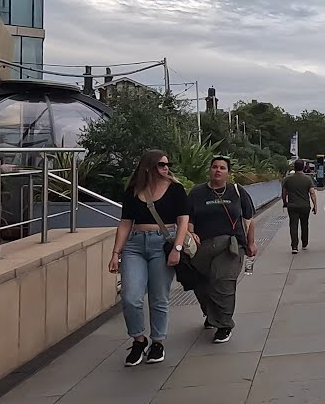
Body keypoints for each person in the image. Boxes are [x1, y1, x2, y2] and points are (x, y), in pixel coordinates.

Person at [109, 150, 190, 367]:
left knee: (158, 297)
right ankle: (138, 340)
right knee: (130, 296)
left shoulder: (175, 189)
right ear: (148, 167)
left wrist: (177, 248)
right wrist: (116, 252)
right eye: (161, 165)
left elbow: (183, 221)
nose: (166, 168)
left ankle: (157, 342)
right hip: (135, 245)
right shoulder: (134, 190)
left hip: (162, 243)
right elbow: (125, 222)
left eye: (167, 164)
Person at [188, 156, 257, 343]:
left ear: (228, 172)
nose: (218, 170)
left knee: (223, 281)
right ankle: (211, 315)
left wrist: (251, 243)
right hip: (202, 246)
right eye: (214, 167)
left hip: (231, 245)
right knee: (202, 285)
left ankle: (224, 324)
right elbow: (189, 218)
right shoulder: (197, 193)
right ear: (209, 170)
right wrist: (190, 233)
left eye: (222, 168)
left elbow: (249, 219)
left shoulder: (237, 191)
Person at [281, 159, 317, 254]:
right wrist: (315, 205)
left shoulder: (287, 179)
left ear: (294, 167)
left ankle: (294, 246)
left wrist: (285, 202)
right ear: (304, 167)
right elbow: (312, 193)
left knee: (293, 225)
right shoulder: (308, 179)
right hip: (305, 205)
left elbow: (284, 193)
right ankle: (304, 243)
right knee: (304, 224)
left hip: (292, 205)